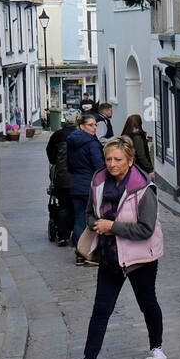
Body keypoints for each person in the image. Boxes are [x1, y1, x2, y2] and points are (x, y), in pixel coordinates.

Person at [61, 135, 166, 359]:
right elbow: (89, 212)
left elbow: (145, 229)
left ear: (130, 161)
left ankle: (157, 348)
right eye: (108, 158)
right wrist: (96, 225)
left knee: (147, 303)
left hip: (141, 258)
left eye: (117, 159)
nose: (111, 164)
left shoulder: (143, 188)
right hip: (110, 256)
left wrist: (113, 226)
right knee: (101, 310)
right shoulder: (98, 181)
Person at [66, 112, 106, 265]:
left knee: (78, 219)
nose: (94, 128)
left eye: (95, 124)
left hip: (75, 184)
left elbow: (69, 164)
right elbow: (99, 166)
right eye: (90, 125)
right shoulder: (92, 143)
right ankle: (89, 252)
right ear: (82, 126)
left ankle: (79, 253)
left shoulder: (71, 141)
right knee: (93, 219)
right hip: (90, 186)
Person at [45, 109, 80, 246]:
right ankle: (79, 237)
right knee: (79, 207)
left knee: (64, 205)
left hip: (62, 179)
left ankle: (63, 235)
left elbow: (51, 155)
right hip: (79, 179)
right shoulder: (81, 135)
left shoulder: (57, 135)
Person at [122, 113, 154, 180]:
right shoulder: (137, 137)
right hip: (140, 168)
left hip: (130, 167)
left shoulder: (126, 135)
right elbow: (141, 155)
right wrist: (150, 169)